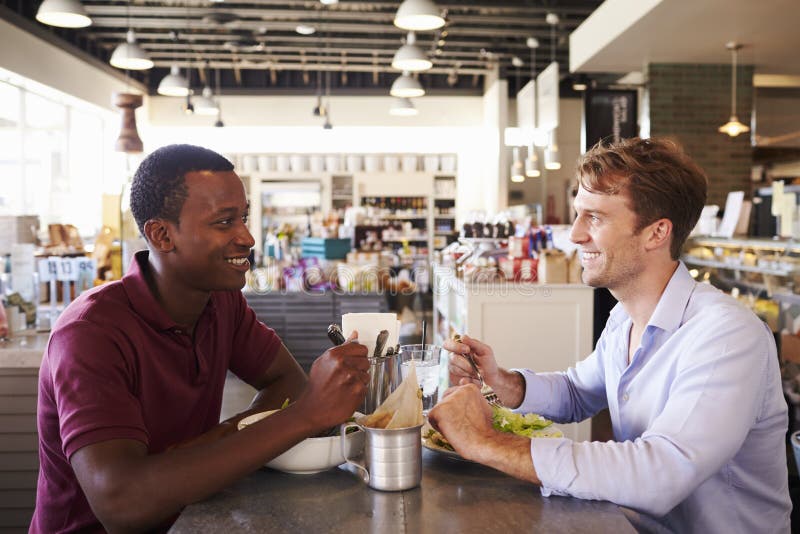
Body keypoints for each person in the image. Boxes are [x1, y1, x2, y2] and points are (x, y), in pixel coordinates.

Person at [429, 137, 792, 533]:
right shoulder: (625, 316)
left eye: (595, 218)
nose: (575, 235)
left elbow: (661, 472)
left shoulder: (726, 337)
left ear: (656, 233)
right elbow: (576, 391)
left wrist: (483, 441)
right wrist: (504, 382)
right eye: (578, 215)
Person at [31, 144, 370, 533]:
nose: (247, 237)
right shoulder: (90, 334)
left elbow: (286, 381)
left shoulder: (221, 302)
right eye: (224, 222)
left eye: (244, 217)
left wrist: (223, 436)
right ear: (161, 234)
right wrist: (305, 415)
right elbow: (120, 504)